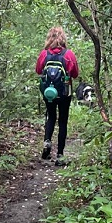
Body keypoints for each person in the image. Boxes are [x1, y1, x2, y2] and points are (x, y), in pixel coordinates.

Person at [35, 26, 79, 165]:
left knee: (51, 116)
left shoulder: (44, 54)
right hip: (65, 92)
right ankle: (60, 156)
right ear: (63, 38)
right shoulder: (69, 54)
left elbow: (38, 70)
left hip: (49, 92)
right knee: (63, 121)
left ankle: (47, 144)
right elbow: (75, 74)